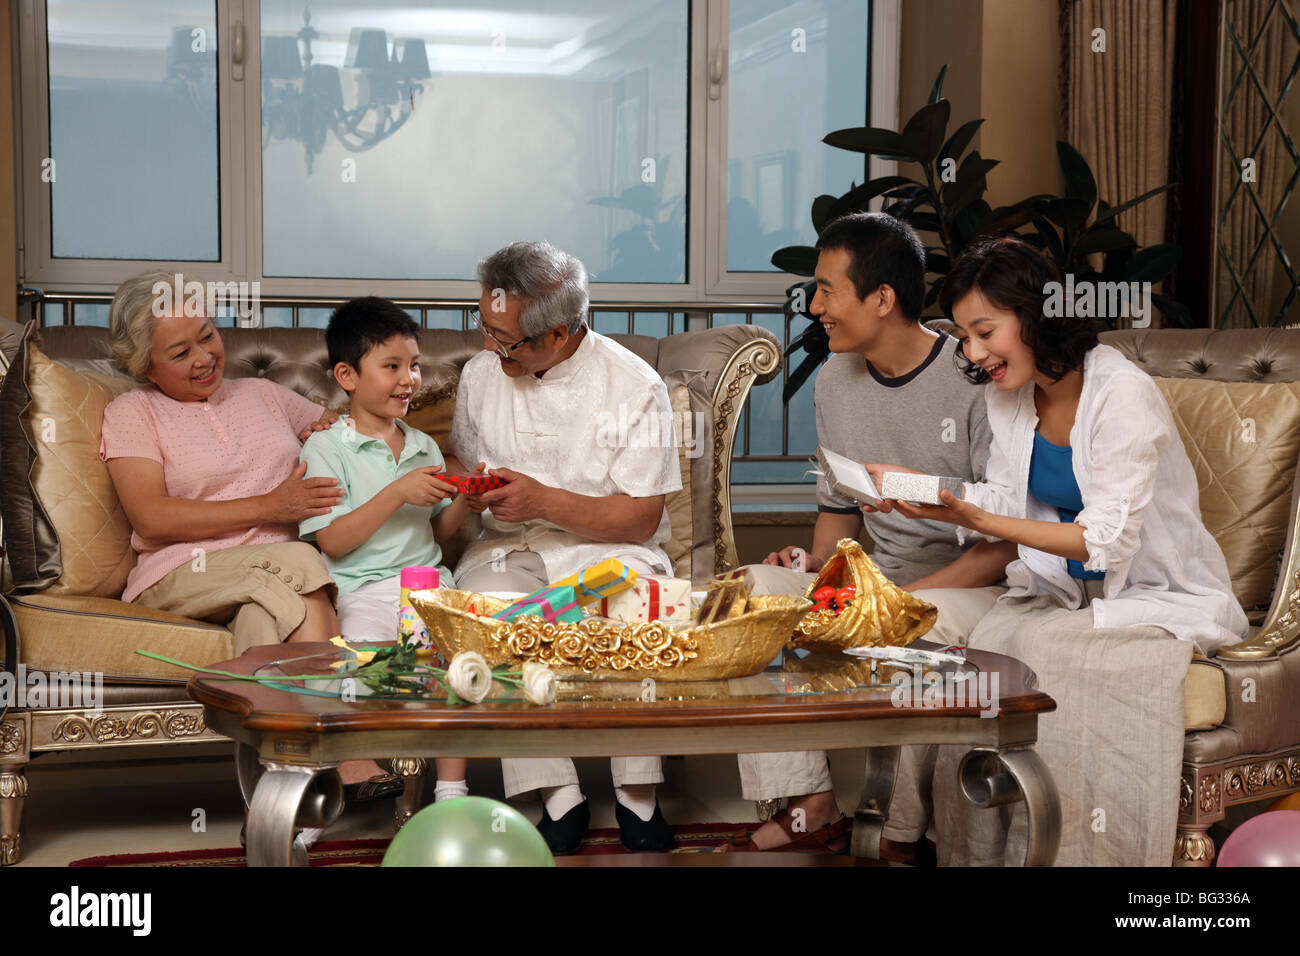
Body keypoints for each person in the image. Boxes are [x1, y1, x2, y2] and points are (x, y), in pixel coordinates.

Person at [877, 236, 1248, 864]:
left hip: (1149, 596)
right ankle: (941, 845)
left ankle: (1071, 853)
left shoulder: (1120, 394)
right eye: (965, 337)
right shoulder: (1010, 396)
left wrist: (983, 514)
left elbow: (1102, 541)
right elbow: (1005, 496)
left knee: (1031, 650)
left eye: (985, 331)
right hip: (1062, 594)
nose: (974, 353)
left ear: (1035, 315)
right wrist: (932, 498)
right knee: (945, 639)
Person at [727, 213, 1018, 857]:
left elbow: (1006, 541)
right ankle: (810, 800)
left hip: (974, 583)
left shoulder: (973, 376)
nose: (815, 305)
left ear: (882, 298)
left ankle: (900, 830)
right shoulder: (836, 379)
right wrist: (812, 561)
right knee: (755, 591)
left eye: (828, 289)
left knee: (917, 626)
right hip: (878, 576)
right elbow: (839, 513)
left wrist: (898, 605)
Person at [99, 271, 398, 850]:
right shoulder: (134, 412)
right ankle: (351, 754)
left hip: (271, 579)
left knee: (269, 625)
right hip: (184, 572)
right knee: (302, 566)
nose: (204, 358)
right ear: (143, 364)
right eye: (179, 351)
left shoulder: (264, 396)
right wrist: (272, 504)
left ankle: (278, 815)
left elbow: (342, 436)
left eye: (208, 337)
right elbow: (152, 519)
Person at [444, 240, 681, 854]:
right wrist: (469, 491)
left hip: (611, 549)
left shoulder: (635, 385)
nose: (490, 349)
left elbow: (641, 515)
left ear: (557, 333)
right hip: (506, 549)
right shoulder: (479, 375)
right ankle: (556, 792)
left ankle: (638, 795)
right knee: (489, 611)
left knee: (640, 602)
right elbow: (461, 459)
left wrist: (546, 501)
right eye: (485, 326)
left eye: (504, 339)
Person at [299, 297, 475, 805]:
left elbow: (437, 537)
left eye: (414, 365)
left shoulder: (424, 446)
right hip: (361, 589)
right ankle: (329, 789)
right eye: (392, 366)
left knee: (458, 663)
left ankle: (451, 792)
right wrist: (396, 491)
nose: (409, 379)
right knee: (357, 671)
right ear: (347, 376)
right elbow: (331, 540)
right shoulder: (327, 448)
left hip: (429, 583)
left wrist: (467, 497)